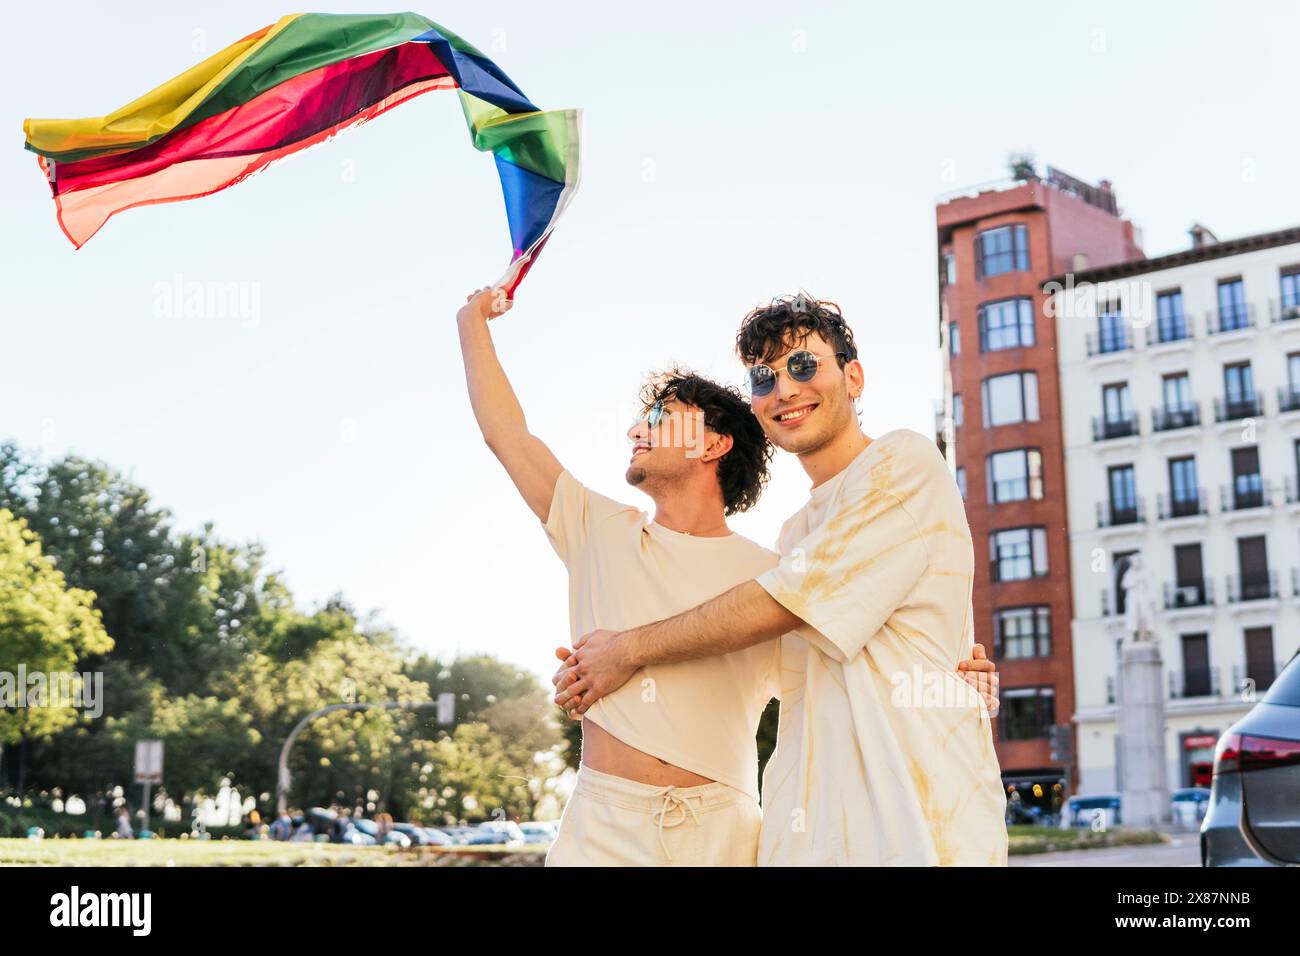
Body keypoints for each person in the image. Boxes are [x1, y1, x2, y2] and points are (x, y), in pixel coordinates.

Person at [456, 287, 997, 866]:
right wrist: (471, 321)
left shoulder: (799, 548)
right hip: (633, 823)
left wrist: (952, 682)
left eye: (804, 365)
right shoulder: (767, 541)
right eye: (763, 379)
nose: (784, 387)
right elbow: (506, 434)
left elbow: (800, 625)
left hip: (754, 828)